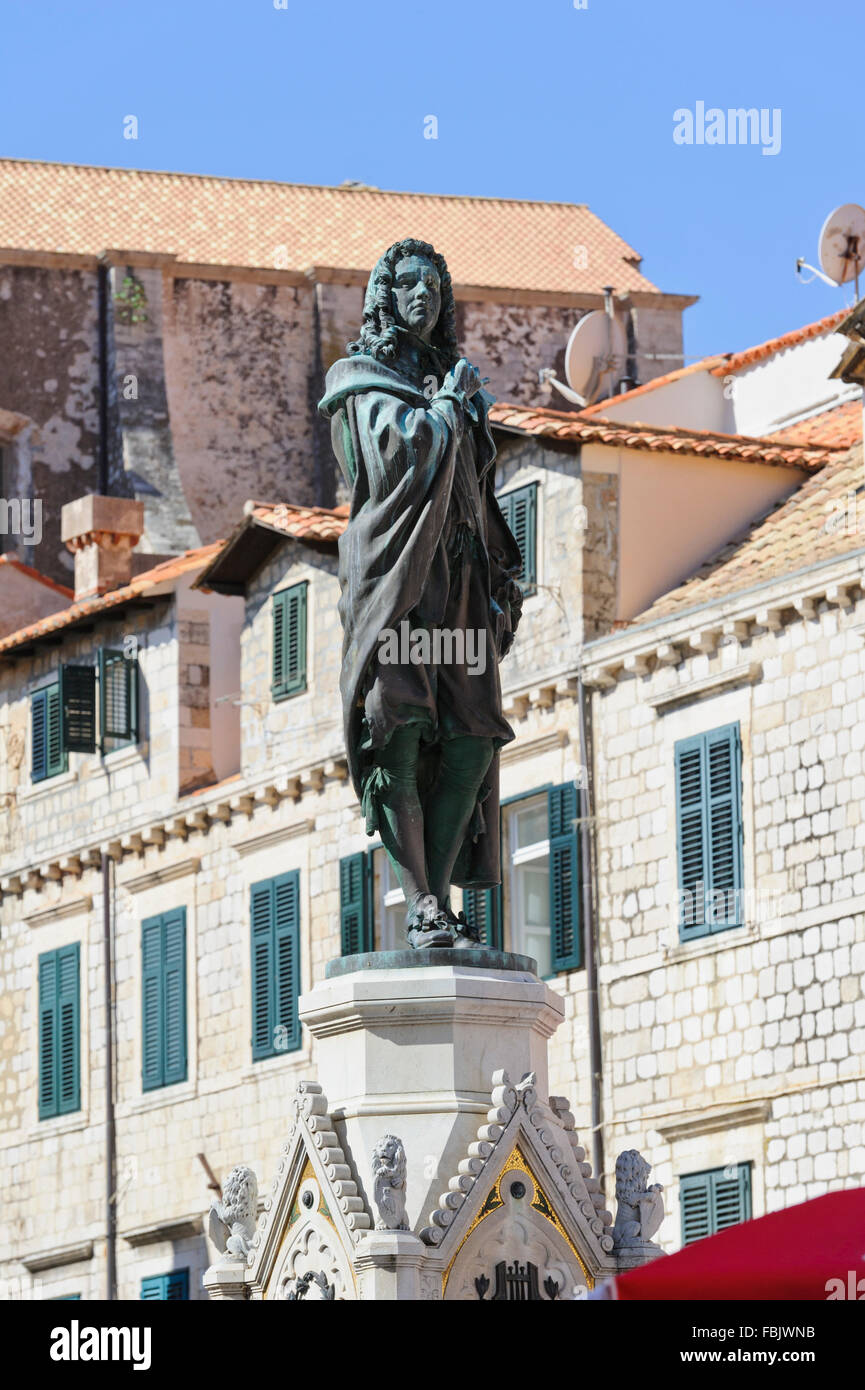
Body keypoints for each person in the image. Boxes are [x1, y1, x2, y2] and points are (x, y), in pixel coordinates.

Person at [319, 238, 523, 948]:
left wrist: (500, 575)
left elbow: (477, 486)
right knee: (398, 729)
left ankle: (436, 900)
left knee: (473, 737)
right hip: (397, 580)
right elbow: (395, 457)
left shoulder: (452, 381)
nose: (422, 296)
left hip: (460, 578)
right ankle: (423, 904)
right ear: (385, 297)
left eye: (433, 287)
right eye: (408, 284)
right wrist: (445, 407)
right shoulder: (360, 378)